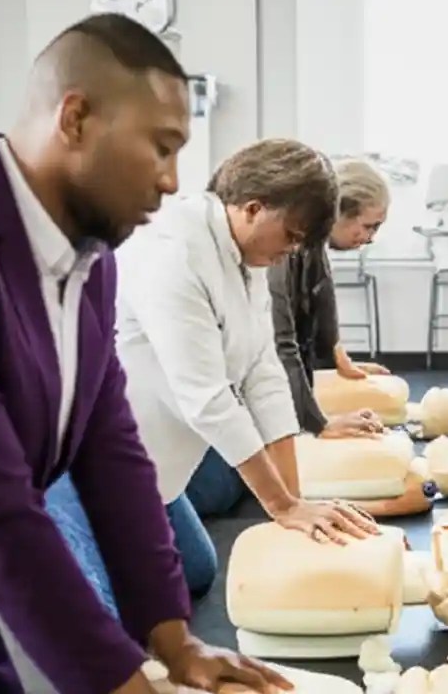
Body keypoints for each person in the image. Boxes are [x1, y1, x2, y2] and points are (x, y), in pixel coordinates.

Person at [0, 14, 290, 694]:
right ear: (74, 119)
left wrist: (174, 639)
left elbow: (112, 452)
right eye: (160, 148)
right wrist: (120, 678)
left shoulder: (91, 264)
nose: (172, 182)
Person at [113, 138, 380, 597]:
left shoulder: (244, 252)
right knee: (125, 605)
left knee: (194, 571)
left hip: (156, 468)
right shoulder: (172, 252)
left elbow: (263, 369)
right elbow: (209, 399)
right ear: (253, 208)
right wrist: (281, 507)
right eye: (292, 236)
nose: (294, 252)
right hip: (92, 466)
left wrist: (295, 507)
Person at [269, 158, 393, 436]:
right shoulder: (282, 250)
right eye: (369, 226)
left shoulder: (312, 245)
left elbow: (322, 295)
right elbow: (281, 344)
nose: (371, 237)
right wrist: (319, 425)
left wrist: (338, 359)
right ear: (337, 212)